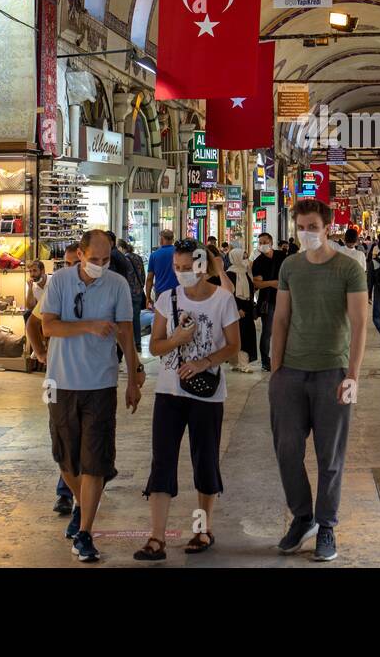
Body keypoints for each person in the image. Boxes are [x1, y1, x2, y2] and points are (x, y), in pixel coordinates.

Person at [270, 199, 367, 562]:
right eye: (301, 226)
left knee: (330, 457)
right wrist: (276, 371)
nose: (306, 233)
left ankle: (326, 525)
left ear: (327, 227)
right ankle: (302, 517)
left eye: (313, 226)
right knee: (287, 451)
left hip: (332, 372)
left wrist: (353, 375)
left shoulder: (348, 268)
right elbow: (280, 320)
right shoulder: (290, 267)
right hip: (291, 374)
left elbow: (359, 324)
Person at [39, 230, 143, 563]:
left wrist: (133, 377)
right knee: (66, 458)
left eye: (106, 259)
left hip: (100, 384)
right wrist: (89, 326)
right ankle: (81, 502)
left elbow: (126, 332)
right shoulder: (59, 282)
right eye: (94, 259)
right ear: (81, 255)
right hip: (62, 383)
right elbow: (48, 327)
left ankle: (85, 532)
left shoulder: (117, 285)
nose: (100, 265)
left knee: (95, 459)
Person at [135, 239, 241, 560]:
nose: (182, 273)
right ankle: (157, 538)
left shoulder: (223, 300)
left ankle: (201, 530)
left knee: (204, 460)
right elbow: (154, 346)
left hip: (206, 395)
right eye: (177, 268)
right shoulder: (168, 298)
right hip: (169, 393)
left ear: (203, 266)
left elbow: (233, 346)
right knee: (162, 461)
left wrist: (204, 362)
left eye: (189, 267)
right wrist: (177, 339)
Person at [27, 245, 81, 515]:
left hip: (91, 378)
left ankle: (82, 491)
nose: (71, 269)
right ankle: (67, 492)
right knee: (62, 435)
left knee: (85, 438)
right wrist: (40, 352)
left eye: (76, 263)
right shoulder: (55, 289)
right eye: (67, 264)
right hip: (57, 377)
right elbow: (34, 324)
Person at [250, 232, 284, 371]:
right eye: (260, 243)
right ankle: (265, 361)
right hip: (267, 301)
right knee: (267, 331)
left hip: (284, 300)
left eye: (265, 242)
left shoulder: (281, 256)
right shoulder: (258, 262)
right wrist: (272, 283)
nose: (262, 245)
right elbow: (257, 284)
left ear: (271, 242)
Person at [225, 247, 257, 372]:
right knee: (239, 336)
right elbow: (228, 294)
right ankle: (240, 364)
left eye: (246, 257)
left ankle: (239, 363)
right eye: (243, 257)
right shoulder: (230, 274)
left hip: (247, 309)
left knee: (246, 335)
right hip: (236, 309)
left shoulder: (246, 272)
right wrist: (237, 309)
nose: (245, 260)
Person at [145, 229, 177, 306]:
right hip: (178, 291)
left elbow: (149, 278)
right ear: (172, 240)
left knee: (162, 315)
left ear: (161, 239)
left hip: (161, 292)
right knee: (177, 315)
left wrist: (148, 297)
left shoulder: (154, 255)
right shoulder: (179, 252)